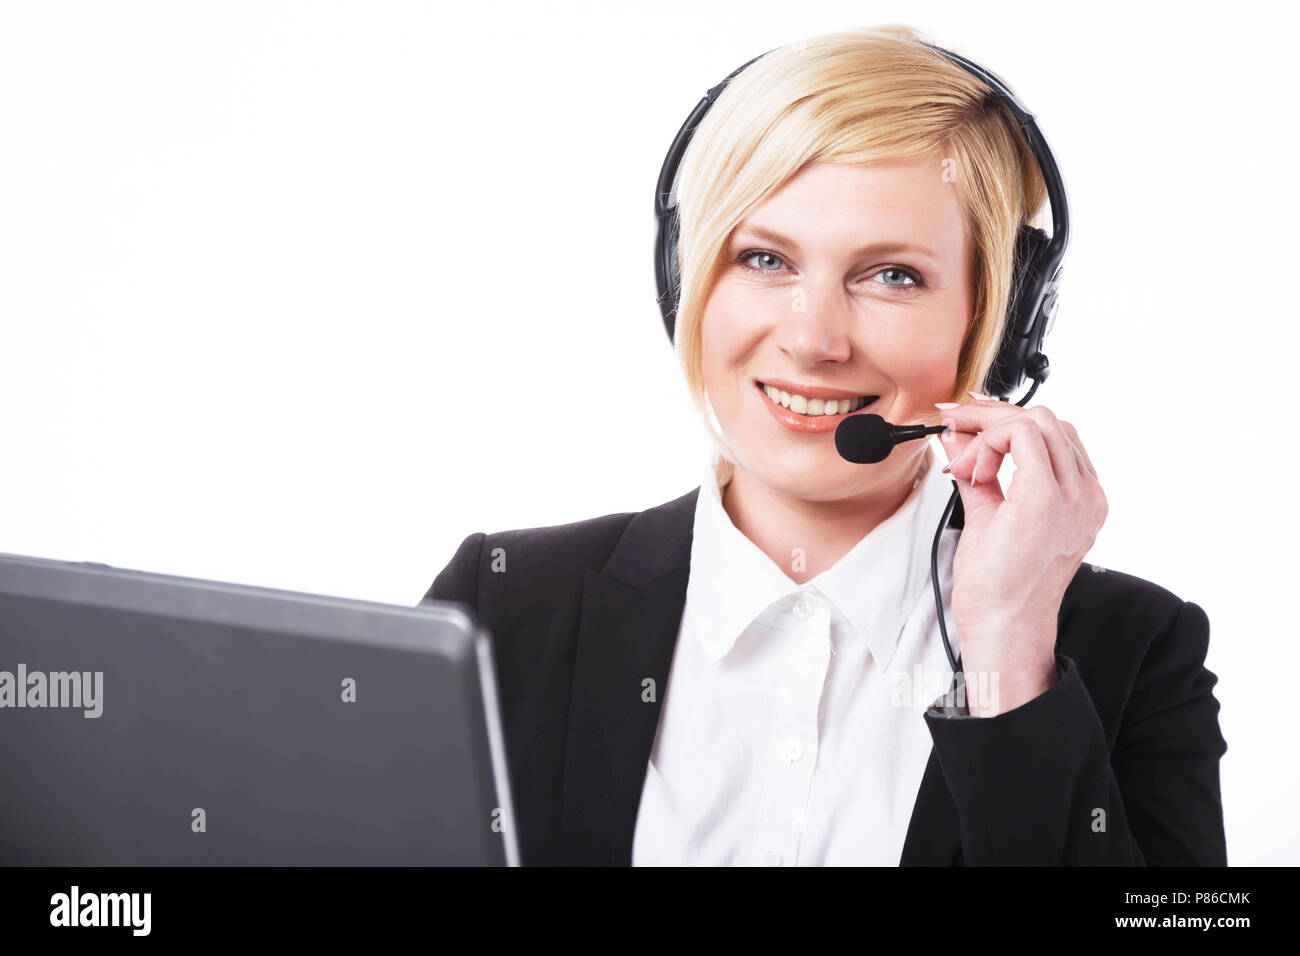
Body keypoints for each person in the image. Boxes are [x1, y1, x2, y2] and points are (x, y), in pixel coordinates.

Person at [422, 25, 1228, 866]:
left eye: (893, 276)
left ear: (993, 324)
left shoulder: (1134, 651)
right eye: (764, 258)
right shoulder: (500, 609)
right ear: (686, 280)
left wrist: (1010, 653)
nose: (814, 340)